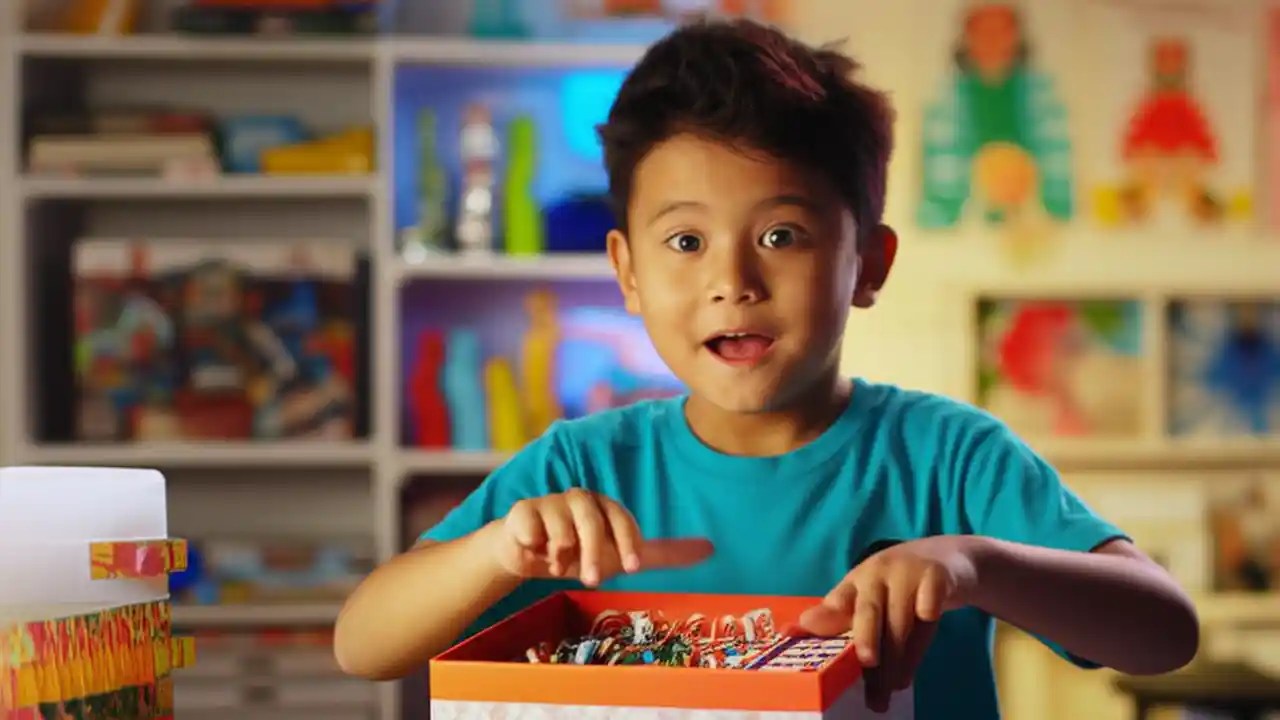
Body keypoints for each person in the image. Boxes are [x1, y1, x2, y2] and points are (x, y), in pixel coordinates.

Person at [334, 18, 1199, 718]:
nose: (733, 282)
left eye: (782, 236)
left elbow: (1165, 632)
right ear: (628, 272)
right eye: (684, 241)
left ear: (868, 265)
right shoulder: (581, 469)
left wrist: (976, 564)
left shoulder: (949, 457)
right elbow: (363, 645)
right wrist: (496, 551)